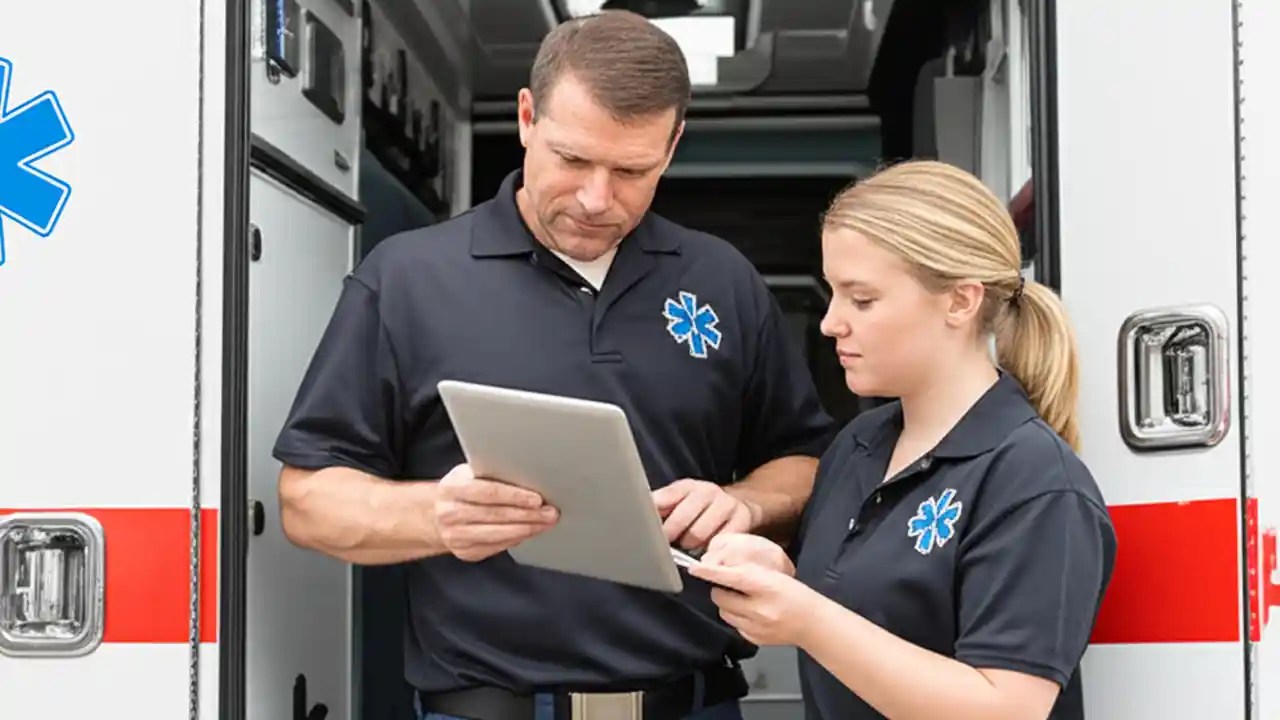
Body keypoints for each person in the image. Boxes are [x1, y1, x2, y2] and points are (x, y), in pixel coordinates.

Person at [270, 9, 836, 720]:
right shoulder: (408, 279)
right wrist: (435, 515)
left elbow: (809, 464)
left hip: (692, 704)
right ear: (528, 118)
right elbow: (307, 500)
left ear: (673, 144)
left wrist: (745, 503)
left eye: (632, 170)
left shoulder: (722, 280)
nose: (599, 199)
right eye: (573, 160)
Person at [688, 160, 1118, 720]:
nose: (830, 322)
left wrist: (806, 618)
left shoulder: (1035, 481)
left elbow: (1007, 708)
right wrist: (777, 578)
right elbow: (864, 609)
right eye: (833, 294)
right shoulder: (859, 445)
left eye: (861, 299)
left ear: (961, 301)